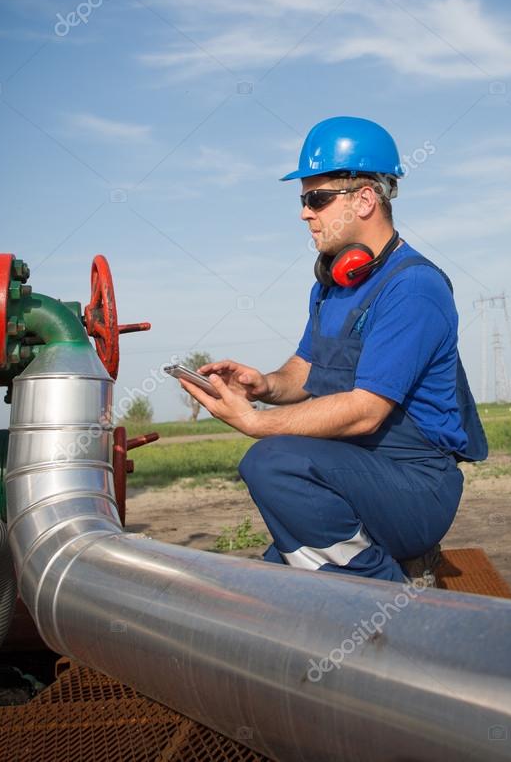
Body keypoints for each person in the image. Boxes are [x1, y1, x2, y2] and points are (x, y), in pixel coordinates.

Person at [178, 116, 487, 583]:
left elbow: (365, 412)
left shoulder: (414, 288)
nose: (305, 213)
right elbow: (306, 369)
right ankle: (341, 583)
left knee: (272, 461)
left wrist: (257, 422)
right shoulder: (333, 284)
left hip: (414, 484)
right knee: (269, 585)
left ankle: (394, 606)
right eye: (304, 200)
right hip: (356, 470)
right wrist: (263, 385)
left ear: (365, 199)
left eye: (316, 198)